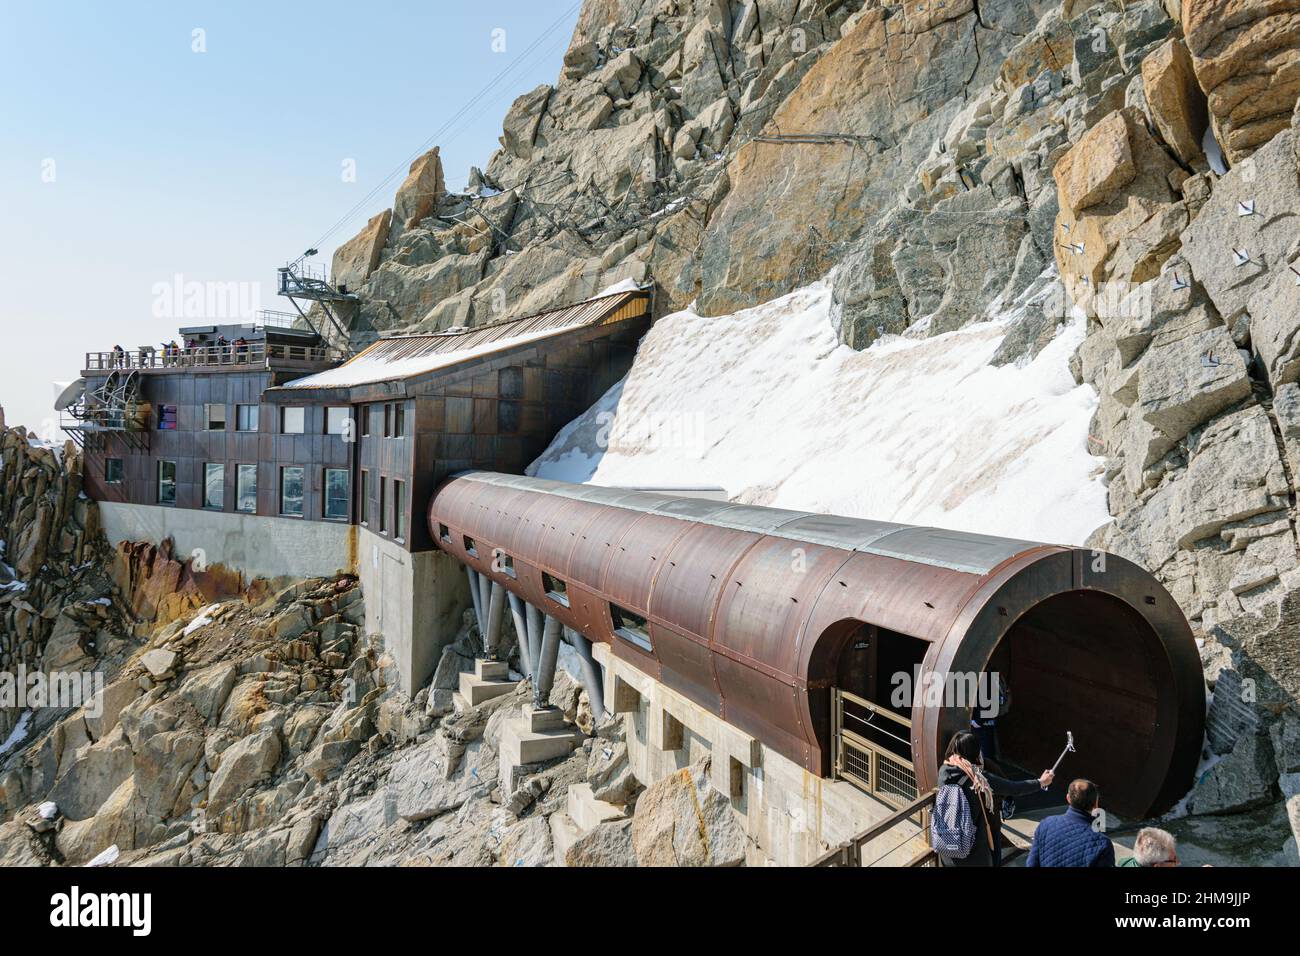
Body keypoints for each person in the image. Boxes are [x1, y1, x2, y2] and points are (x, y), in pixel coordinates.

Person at [934, 730, 1054, 867]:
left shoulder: (944, 771)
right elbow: (1014, 788)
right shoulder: (977, 778)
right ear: (975, 752)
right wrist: (1041, 782)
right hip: (973, 849)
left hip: (947, 846)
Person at [1026, 779, 1115, 867]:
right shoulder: (1102, 843)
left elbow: (1031, 863)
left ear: (1068, 798)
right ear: (1096, 804)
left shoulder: (1045, 824)